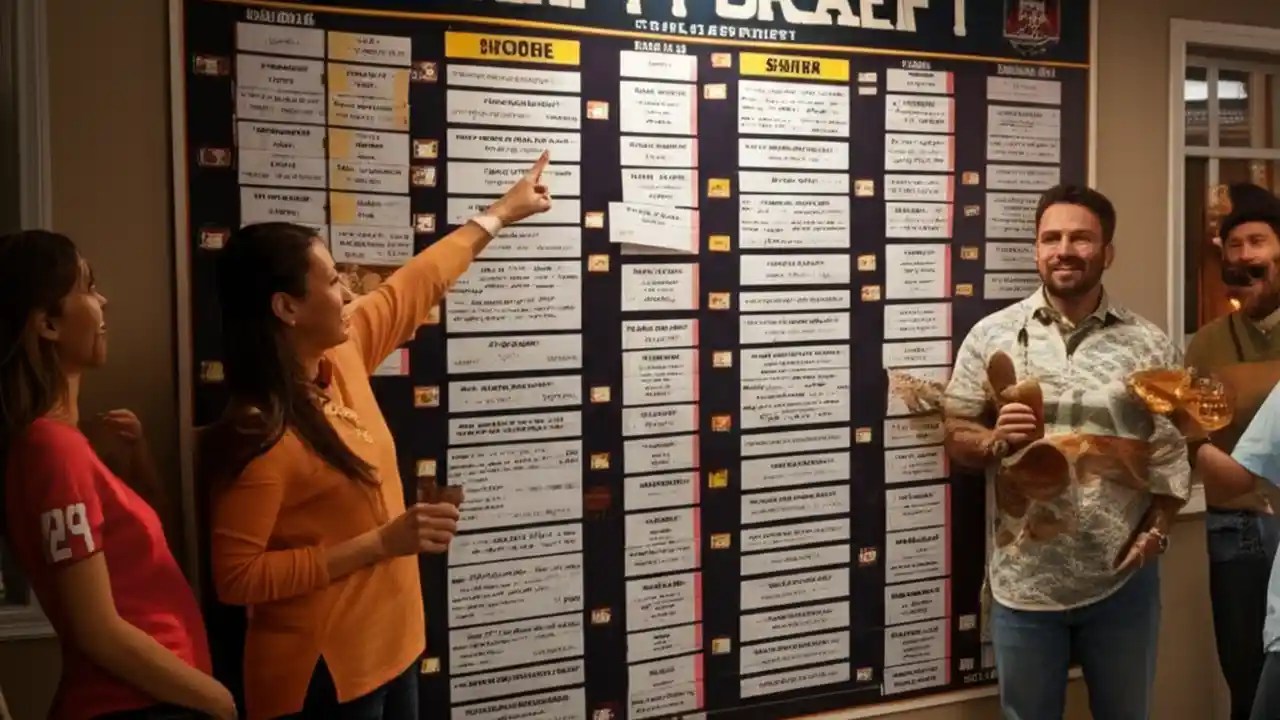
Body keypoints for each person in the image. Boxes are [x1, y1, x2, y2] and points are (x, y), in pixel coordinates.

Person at [202, 153, 553, 719]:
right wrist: (381, 544)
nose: (347, 292)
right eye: (332, 280)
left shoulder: (339, 356)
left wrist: (501, 214)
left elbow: (413, 285)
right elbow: (237, 578)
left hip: (396, 650)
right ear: (287, 307)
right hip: (326, 678)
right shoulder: (260, 432)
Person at [942, 184, 1191, 720]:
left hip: (1123, 582)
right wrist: (991, 440)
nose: (1065, 249)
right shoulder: (992, 335)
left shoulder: (1149, 343)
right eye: (1051, 237)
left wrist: (1156, 533)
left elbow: (1173, 455)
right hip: (1024, 583)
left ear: (1107, 251)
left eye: (1081, 238)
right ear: (1036, 249)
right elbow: (955, 433)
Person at [0, 230, 235, 719]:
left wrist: (138, 467)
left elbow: (147, 571)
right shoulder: (51, 448)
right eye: (87, 286)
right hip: (133, 704)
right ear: (47, 323)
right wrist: (216, 699)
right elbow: (96, 628)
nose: (103, 301)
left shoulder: (71, 445)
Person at [1184, 183, 1280, 720]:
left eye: (1257, 242)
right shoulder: (1207, 343)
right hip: (1237, 532)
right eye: (1234, 247)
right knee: (1247, 677)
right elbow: (1194, 439)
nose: (1244, 256)